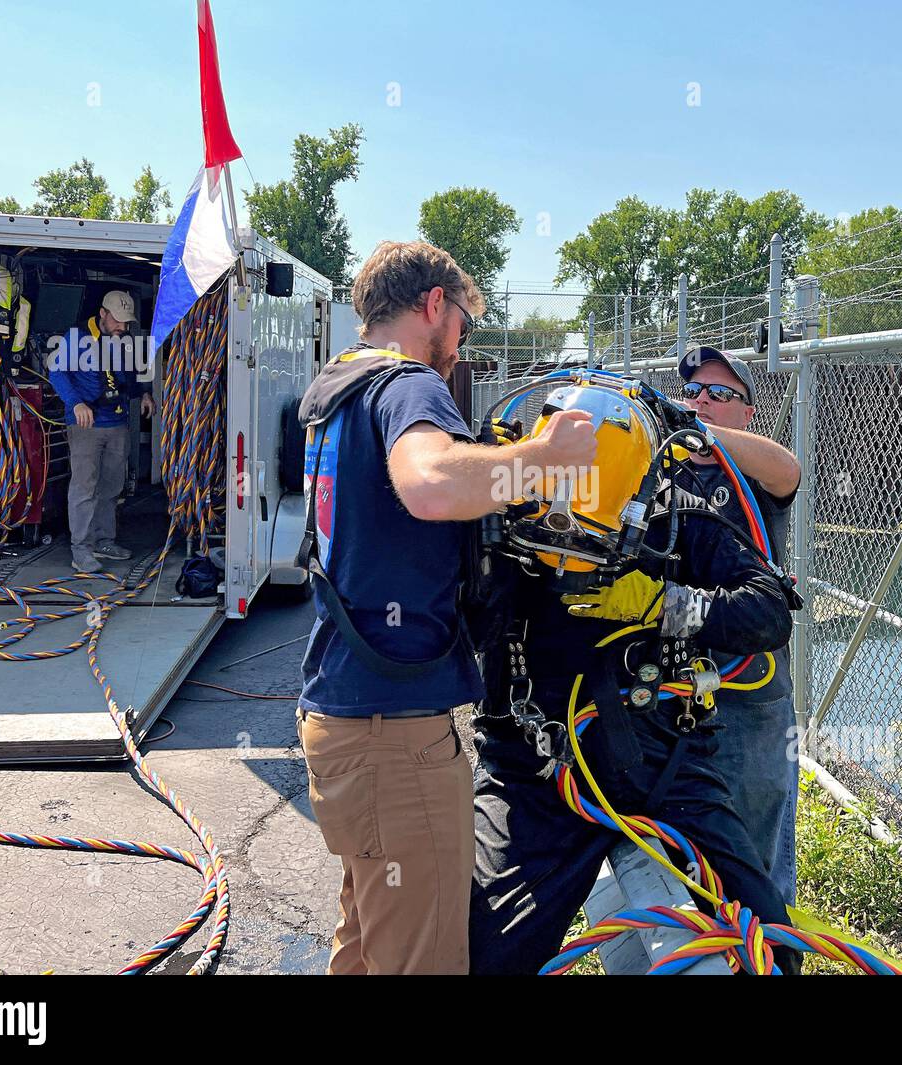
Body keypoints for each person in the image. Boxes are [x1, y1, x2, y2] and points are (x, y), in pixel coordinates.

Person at [295, 240, 596, 975]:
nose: (460, 344)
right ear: (434, 303)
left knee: (367, 942)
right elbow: (430, 485)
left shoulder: (336, 389)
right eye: (461, 320)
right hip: (394, 738)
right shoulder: (408, 385)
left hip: (339, 713)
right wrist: (547, 458)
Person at [467, 382, 801, 976]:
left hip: (667, 763)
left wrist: (665, 606)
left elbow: (770, 611)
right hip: (538, 771)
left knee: (769, 946)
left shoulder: (678, 517)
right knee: (484, 951)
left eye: (593, 540)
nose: (570, 551)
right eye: (556, 535)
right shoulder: (504, 511)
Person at [675, 343, 802, 905]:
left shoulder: (757, 476)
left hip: (750, 694)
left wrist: (697, 431)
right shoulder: (659, 473)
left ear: (747, 413)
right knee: (685, 846)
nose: (704, 401)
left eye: (721, 394)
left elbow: (789, 469)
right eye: (694, 392)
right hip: (674, 689)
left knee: (754, 847)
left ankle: (767, 950)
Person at [48, 290, 155, 572]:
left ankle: (104, 541)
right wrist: (76, 403)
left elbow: (131, 375)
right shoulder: (78, 338)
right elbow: (56, 372)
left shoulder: (125, 341)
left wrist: (144, 394)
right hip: (86, 426)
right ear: (103, 314)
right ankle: (80, 549)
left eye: (126, 322)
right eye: (117, 321)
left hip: (117, 424)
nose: (122, 326)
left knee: (111, 487)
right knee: (84, 487)